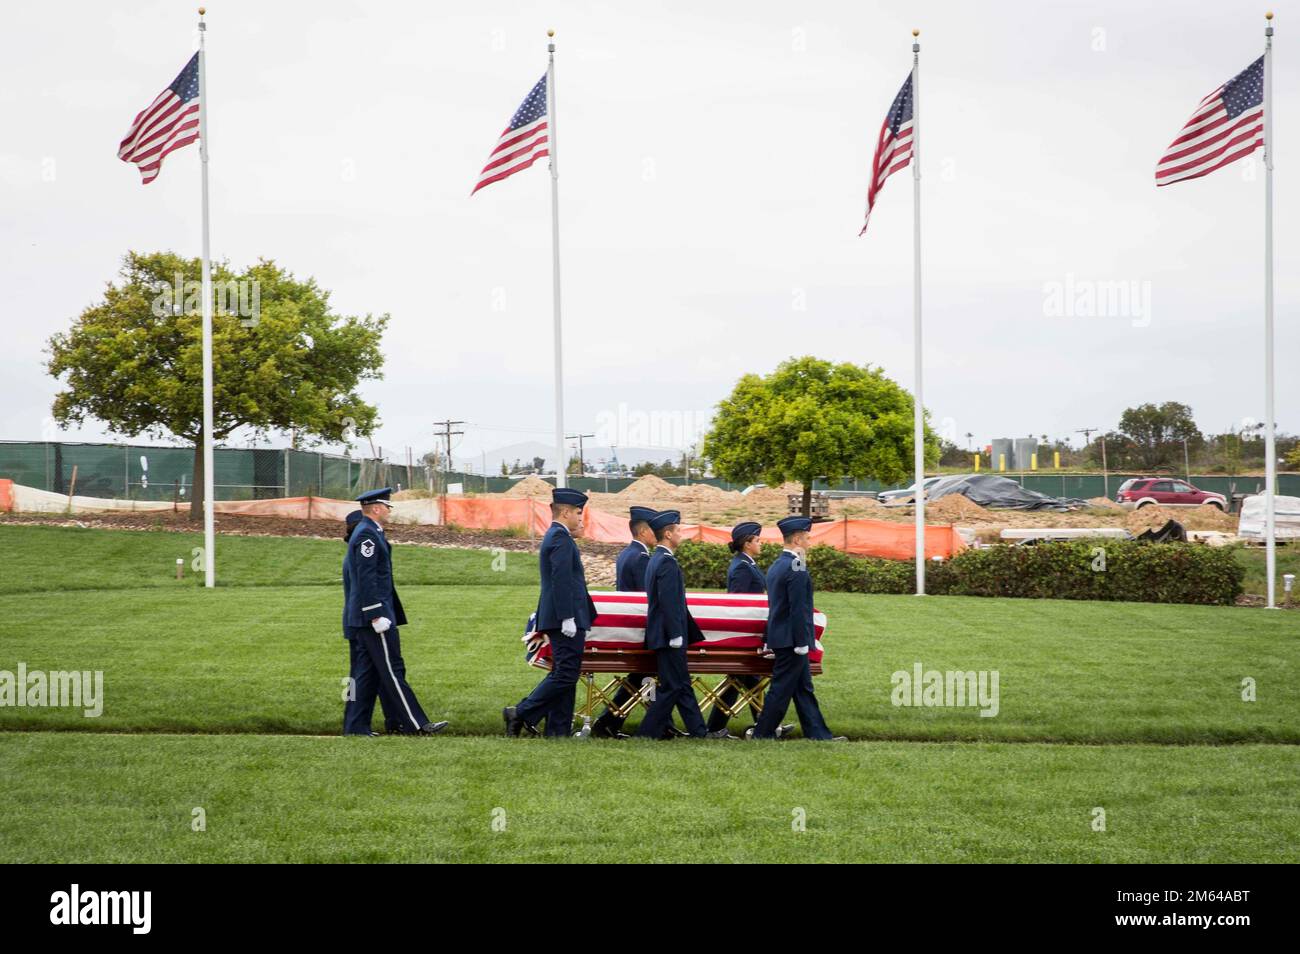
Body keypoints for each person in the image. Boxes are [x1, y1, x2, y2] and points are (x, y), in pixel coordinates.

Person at [343, 488, 448, 736]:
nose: (390, 511)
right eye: (387, 506)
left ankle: (356, 728)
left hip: (367, 616)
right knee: (391, 669)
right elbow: (366, 579)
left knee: (365, 674)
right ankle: (415, 724)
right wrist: (376, 614)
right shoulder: (367, 535)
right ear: (377, 508)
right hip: (373, 618)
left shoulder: (369, 532)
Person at [503, 487, 597, 738]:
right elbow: (561, 580)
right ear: (565, 512)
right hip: (564, 618)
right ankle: (520, 712)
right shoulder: (560, 538)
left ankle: (558, 729)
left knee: (565, 673)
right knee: (566, 674)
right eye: (578, 513)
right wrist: (567, 616)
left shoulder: (558, 536)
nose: (580, 518)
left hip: (564, 616)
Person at [747, 516, 844, 741]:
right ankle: (762, 733)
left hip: (783, 636)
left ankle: (818, 734)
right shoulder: (796, 566)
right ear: (798, 539)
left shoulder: (777, 564)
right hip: (792, 640)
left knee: (803, 689)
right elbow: (798, 608)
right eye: (807, 538)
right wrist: (802, 642)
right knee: (781, 690)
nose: (810, 543)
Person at [705, 521, 792, 740]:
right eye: (758, 540)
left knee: (739, 681)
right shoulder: (742, 567)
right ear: (747, 543)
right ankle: (767, 726)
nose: (761, 544)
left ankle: (717, 728)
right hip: (746, 634)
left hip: (750, 633)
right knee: (748, 680)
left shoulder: (746, 563)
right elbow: (738, 605)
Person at [634, 510, 708, 739]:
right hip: (668, 635)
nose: (681, 534)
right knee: (672, 687)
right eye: (678, 530)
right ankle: (646, 733)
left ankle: (699, 732)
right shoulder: (665, 562)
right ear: (667, 533)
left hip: (665, 633)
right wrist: (676, 633)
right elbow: (669, 602)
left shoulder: (658, 559)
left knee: (681, 684)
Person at [590, 505, 659, 739]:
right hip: (640, 628)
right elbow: (646, 596)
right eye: (654, 530)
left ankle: (612, 720)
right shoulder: (640, 558)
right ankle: (655, 720)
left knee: (643, 677)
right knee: (649, 674)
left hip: (630, 625)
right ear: (643, 532)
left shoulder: (627, 554)